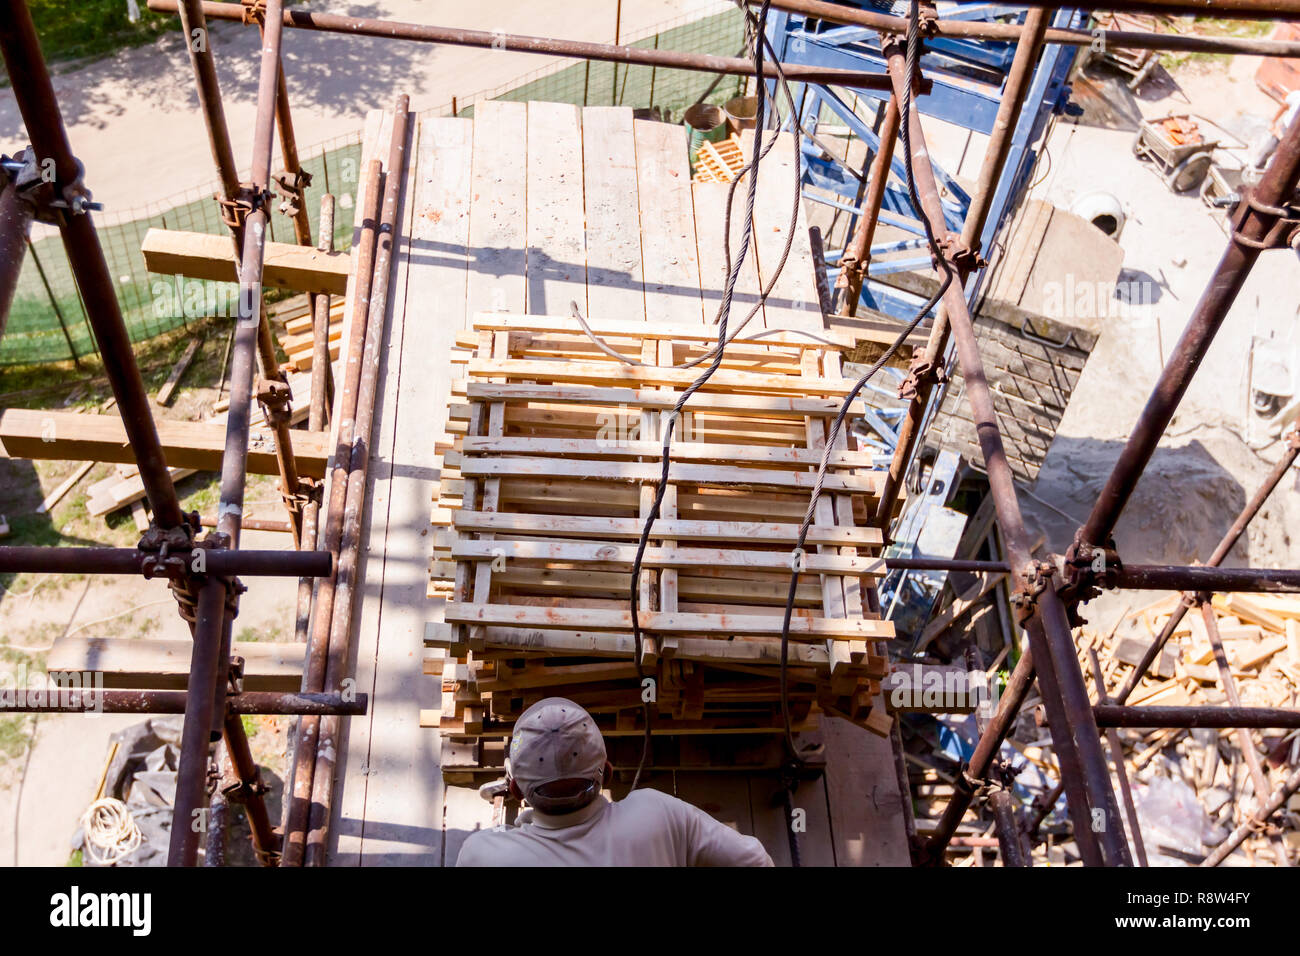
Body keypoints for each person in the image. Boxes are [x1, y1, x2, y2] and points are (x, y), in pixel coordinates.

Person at [455, 697, 774, 866]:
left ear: (514, 789)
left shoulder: (482, 854)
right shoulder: (657, 814)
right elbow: (754, 861)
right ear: (606, 771)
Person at [1250, 87, 1300, 171]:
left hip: (1297, 135)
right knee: (1269, 149)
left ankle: (1273, 173)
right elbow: (1284, 107)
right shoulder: (1296, 95)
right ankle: (1257, 167)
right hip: (1286, 127)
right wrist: (1273, 122)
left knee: (1285, 156)